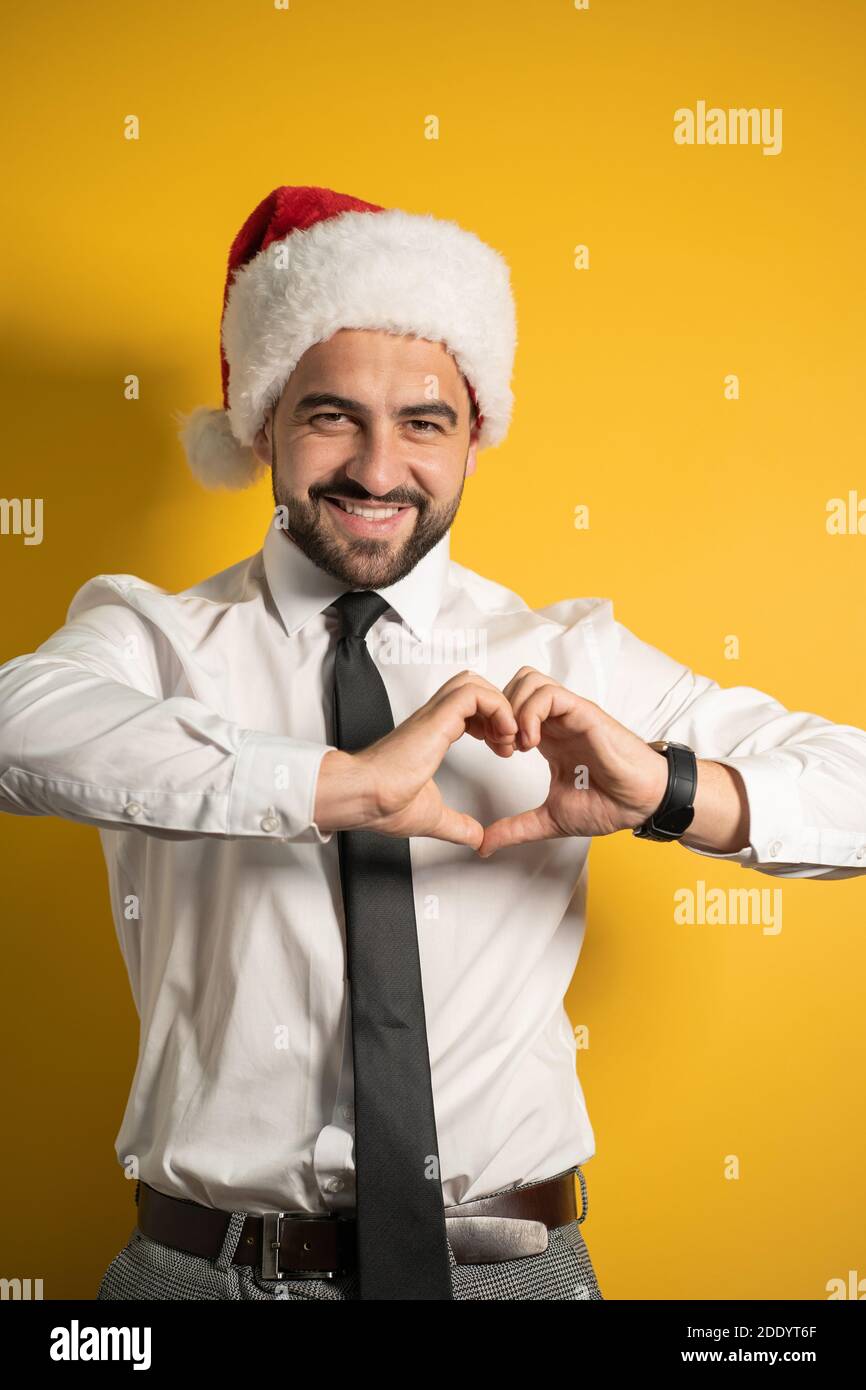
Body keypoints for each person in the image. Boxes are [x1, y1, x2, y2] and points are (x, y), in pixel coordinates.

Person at [2, 185, 865, 1303]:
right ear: (261, 422)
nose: (375, 468)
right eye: (328, 416)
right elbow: (19, 724)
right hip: (203, 1277)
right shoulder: (154, 639)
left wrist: (660, 789)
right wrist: (334, 784)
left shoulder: (571, 656)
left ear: (473, 436)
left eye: (423, 421)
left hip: (510, 1274)